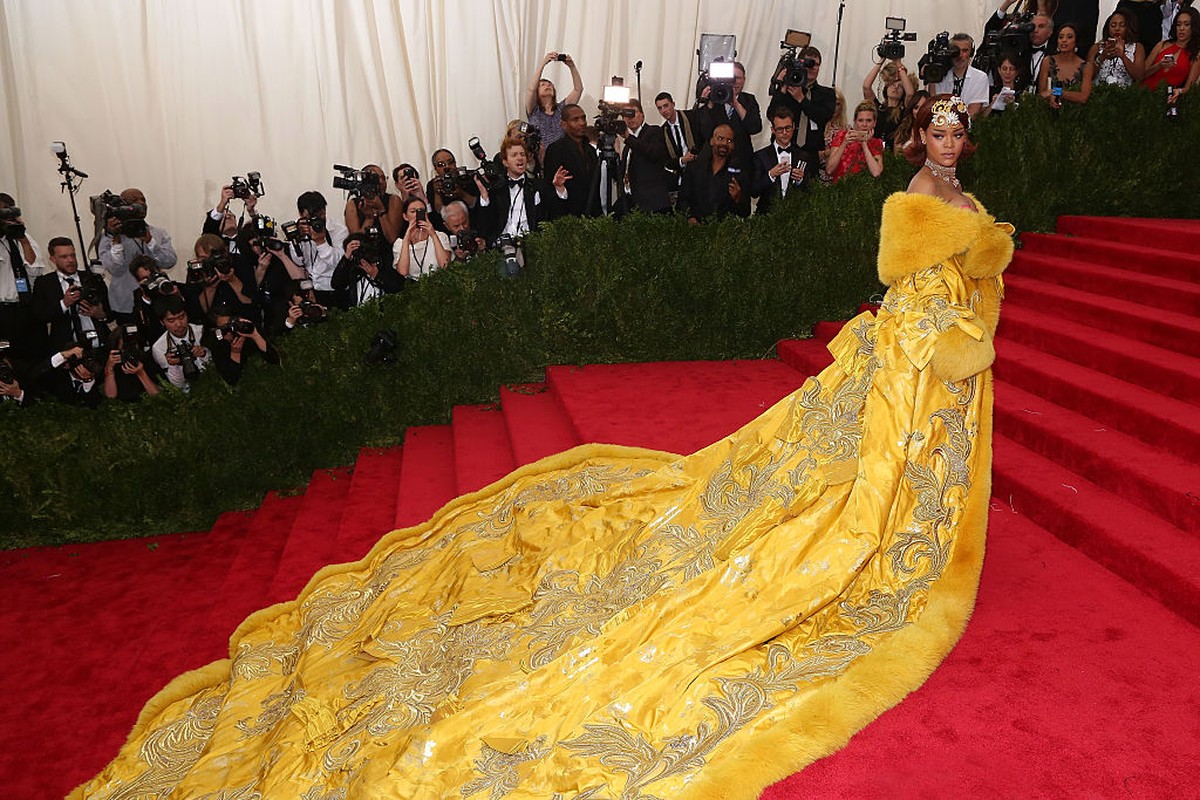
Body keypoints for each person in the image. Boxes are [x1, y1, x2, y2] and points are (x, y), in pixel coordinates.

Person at [74, 88, 1014, 800]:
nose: (941, 142)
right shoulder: (914, 198)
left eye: (951, 132)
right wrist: (954, 312)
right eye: (931, 130)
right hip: (918, 353)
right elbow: (905, 280)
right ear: (919, 140)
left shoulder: (960, 194)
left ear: (964, 140)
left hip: (936, 364)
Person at [97, 188, 177, 318]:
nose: (141, 203)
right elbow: (115, 270)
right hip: (126, 305)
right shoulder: (108, 237)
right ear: (123, 207)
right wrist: (115, 238)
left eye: (143, 200)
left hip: (157, 302)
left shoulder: (158, 233)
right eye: (134, 201)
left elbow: (170, 262)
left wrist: (151, 242)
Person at [476, 138, 565, 242]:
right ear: (505, 162)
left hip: (531, 245)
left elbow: (556, 214)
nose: (520, 158)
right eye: (514, 155)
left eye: (522, 154)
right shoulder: (496, 189)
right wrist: (484, 196)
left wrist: (559, 189)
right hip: (502, 246)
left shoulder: (538, 186)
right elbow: (485, 225)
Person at [32, 237, 110, 352]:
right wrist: (64, 304)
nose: (70, 260)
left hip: (100, 344)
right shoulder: (44, 283)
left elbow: (111, 311)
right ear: (53, 259)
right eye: (64, 257)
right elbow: (40, 316)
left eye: (72, 255)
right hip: (66, 349)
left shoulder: (93, 278)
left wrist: (101, 314)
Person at [0, 194, 47, 364]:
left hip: (25, 306)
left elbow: (36, 270)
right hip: (2, 310)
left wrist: (23, 240)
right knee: (6, 357)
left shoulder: (23, 238)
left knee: (31, 353)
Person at [766, 46, 836, 155]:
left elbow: (823, 117)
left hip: (811, 151)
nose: (812, 68)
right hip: (784, 149)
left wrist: (801, 99)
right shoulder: (787, 91)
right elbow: (771, 115)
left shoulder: (827, 93)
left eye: (816, 64)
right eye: (809, 63)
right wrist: (782, 87)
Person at [750, 106, 818, 215]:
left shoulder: (803, 156)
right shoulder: (761, 156)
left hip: (795, 216)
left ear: (794, 127)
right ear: (773, 130)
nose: (785, 133)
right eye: (780, 129)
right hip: (766, 216)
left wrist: (801, 180)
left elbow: (811, 190)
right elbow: (753, 191)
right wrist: (771, 175)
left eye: (788, 128)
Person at [696, 61, 762, 171]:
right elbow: (704, 132)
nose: (734, 82)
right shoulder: (714, 100)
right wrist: (709, 103)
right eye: (731, 78)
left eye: (738, 78)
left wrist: (736, 104)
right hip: (715, 162)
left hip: (742, 162)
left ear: (744, 80)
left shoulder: (749, 100)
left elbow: (755, 128)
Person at [677, 122, 750, 222]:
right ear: (711, 141)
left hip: (723, 233)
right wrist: (690, 218)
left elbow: (745, 212)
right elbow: (682, 200)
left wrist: (738, 198)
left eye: (729, 140)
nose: (724, 143)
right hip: (695, 231)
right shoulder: (694, 167)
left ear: (733, 145)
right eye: (720, 138)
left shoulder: (739, 174)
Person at [288, 191, 348, 309]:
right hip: (311, 291)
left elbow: (340, 263)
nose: (317, 220)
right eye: (310, 217)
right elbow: (299, 261)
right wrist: (298, 239)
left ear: (325, 211)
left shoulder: (339, 230)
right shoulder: (301, 230)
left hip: (335, 291)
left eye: (320, 215)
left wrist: (321, 242)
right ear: (301, 215)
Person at [615, 99, 674, 214]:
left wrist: (628, 138)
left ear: (642, 115)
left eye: (633, 113)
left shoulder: (653, 131)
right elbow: (620, 174)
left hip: (653, 203)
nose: (630, 117)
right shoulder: (627, 147)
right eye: (626, 114)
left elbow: (652, 152)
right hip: (631, 200)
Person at [543, 104, 599, 218]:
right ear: (564, 125)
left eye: (583, 118)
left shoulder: (590, 150)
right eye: (575, 119)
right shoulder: (555, 150)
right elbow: (550, 187)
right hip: (567, 216)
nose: (582, 123)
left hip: (593, 215)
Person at [524, 51, 584, 155]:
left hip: (561, 155)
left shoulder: (561, 109)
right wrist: (543, 63)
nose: (547, 86)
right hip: (540, 158)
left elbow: (578, 89)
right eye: (543, 85)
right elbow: (531, 89)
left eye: (550, 84)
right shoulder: (534, 110)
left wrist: (572, 66)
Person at [151, 296, 211, 392]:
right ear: (162, 322)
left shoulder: (201, 332)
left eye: (182, 317)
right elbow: (178, 386)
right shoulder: (159, 348)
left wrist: (204, 354)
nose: (179, 324)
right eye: (171, 320)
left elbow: (217, 367)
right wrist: (173, 365)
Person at [332, 231, 404, 306]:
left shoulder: (384, 262)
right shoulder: (352, 268)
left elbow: (398, 288)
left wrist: (376, 275)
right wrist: (346, 257)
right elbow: (336, 284)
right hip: (358, 313)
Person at [929, 34, 991, 117]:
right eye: (956, 51)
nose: (960, 55)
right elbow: (934, 106)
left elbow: (972, 113)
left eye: (965, 51)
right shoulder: (941, 76)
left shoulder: (980, 77)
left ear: (971, 53)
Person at [861, 57, 914, 149]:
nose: (896, 87)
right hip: (875, 151)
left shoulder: (904, 111)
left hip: (894, 155)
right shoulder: (878, 108)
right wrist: (881, 60)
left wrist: (899, 64)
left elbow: (910, 94)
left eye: (900, 86)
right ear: (886, 88)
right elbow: (866, 86)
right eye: (892, 84)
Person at [343, 164, 404, 244]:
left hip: (389, 253)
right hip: (364, 253)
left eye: (383, 178)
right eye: (376, 178)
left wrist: (381, 210)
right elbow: (357, 242)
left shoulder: (393, 200)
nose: (382, 182)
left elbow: (393, 239)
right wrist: (369, 217)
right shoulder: (353, 204)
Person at [654, 91, 703, 190]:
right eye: (660, 108)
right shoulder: (662, 131)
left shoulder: (691, 117)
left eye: (666, 106)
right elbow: (666, 161)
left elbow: (703, 140)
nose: (663, 110)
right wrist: (682, 160)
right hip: (681, 177)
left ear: (673, 104)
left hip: (701, 170)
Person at [825, 102, 885, 182]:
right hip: (840, 186)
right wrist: (844, 144)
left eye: (869, 121)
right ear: (855, 121)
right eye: (860, 120)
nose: (864, 124)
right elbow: (829, 170)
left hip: (864, 188)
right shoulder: (842, 136)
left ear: (874, 123)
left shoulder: (876, 143)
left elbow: (876, 173)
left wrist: (864, 143)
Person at [1038, 22, 1095, 106]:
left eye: (1069, 37)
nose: (1064, 40)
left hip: (1076, 114)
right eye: (1061, 37)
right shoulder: (1048, 61)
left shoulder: (1086, 66)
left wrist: (1059, 92)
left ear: (1076, 41)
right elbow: (1042, 94)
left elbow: (1083, 97)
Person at [1143, 6, 1199, 90]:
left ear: (1194, 27)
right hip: (1143, 92)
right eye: (1178, 24)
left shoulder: (1196, 55)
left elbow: (1188, 88)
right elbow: (1140, 75)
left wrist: (1178, 92)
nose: (1181, 28)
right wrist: (1159, 66)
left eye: (1186, 24)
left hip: (1168, 98)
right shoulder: (1161, 45)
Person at [395, 197, 452, 280]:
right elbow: (403, 271)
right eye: (413, 211)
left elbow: (445, 265)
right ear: (405, 216)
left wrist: (433, 235)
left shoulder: (440, 236)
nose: (417, 215)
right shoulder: (400, 243)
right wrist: (407, 238)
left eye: (421, 211)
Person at [1090, 9, 1147, 85]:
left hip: (1125, 94)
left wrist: (1123, 56)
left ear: (1128, 27)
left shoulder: (1137, 47)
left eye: (1122, 25)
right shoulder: (1096, 47)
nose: (1117, 29)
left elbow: (1139, 77)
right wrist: (1102, 57)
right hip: (1100, 93)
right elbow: (1088, 75)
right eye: (1113, 25)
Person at [981, 52, 1030, 117]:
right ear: (999, 70)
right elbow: (981, 118)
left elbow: (1025, 118)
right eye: (1004, 69)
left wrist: (1012, 105)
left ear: (1017, 72)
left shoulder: (1022, 94)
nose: (1007, 72)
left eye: (1011, 69)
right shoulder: (990, 92)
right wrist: (993, 104)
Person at [819, 88, 849, 183]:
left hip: (840, 177)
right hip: (818, 175)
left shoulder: (847, 129)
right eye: (832, 103)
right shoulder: (817, 126)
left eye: (838, 104)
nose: (834, 107)